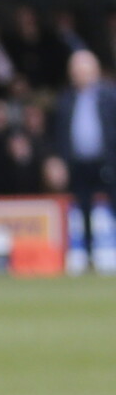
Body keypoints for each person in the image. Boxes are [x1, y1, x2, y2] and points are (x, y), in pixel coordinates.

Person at [58, 49, 116, 273]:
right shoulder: (66, 99)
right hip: (79, 163)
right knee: (83, 210)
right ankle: (89, 258)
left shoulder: (109, 95)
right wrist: (61, 161)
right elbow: (61, 134)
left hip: (107, 162)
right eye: (76, 70)